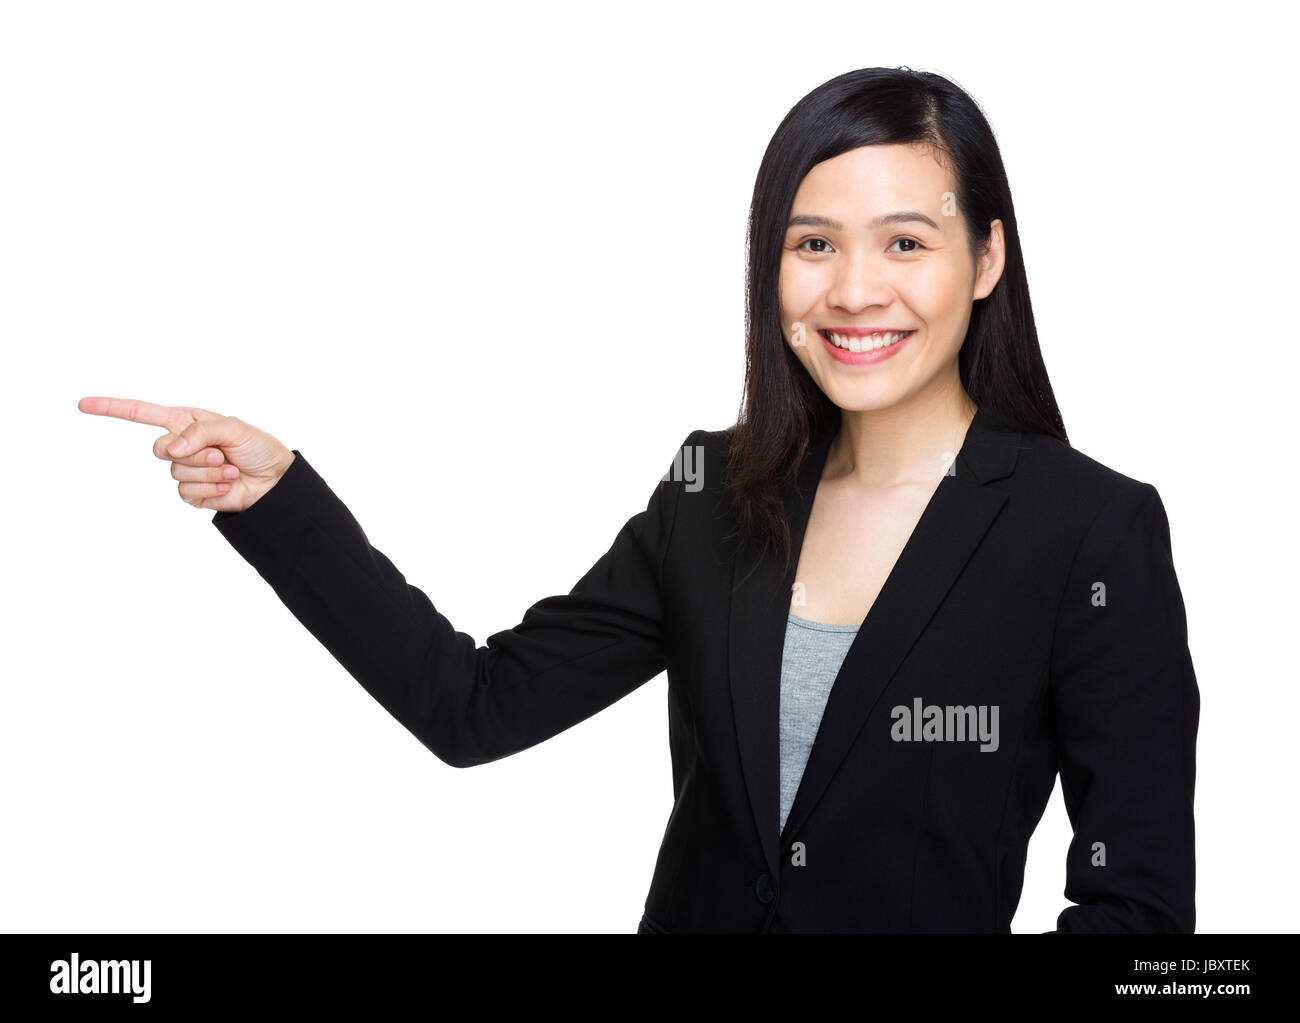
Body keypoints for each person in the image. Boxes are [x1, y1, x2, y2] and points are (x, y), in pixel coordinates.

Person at [78, 67, 1199, 933]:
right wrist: (278, 502)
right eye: (813, 244)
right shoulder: (714, 492)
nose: (855, 290)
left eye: (907, 241)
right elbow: (476, 706)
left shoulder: (1088, 530)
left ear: (988, 258)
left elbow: (1139, 913)